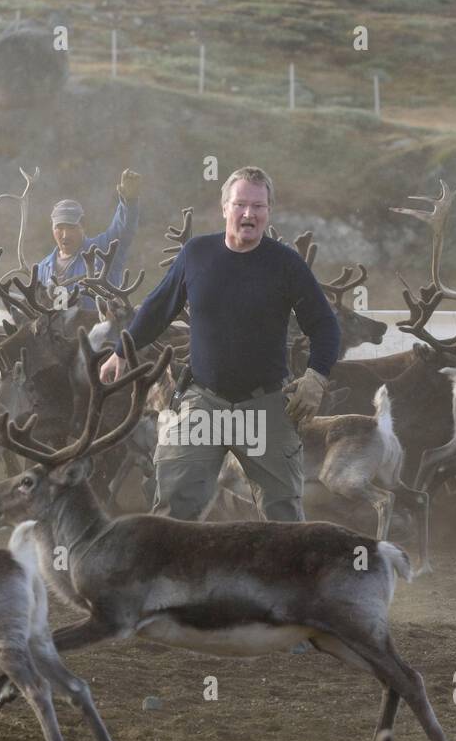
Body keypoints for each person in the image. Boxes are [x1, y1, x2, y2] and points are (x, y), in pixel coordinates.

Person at [99, 166, 340, 522]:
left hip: (264, 406)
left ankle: (284, 577)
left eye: (258, 206)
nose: (249, 214)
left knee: (284, 515)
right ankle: (170, 577)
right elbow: (157, 308)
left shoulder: (286, 264)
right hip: (203, 402)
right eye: (241, 204)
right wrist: (123, 350)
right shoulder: (197, 255)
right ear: (224, 207)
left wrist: (316, 376)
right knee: (172, 510)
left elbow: (325, 325)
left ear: (268, 212)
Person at [33, 168, 140, 312]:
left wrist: (129, 203)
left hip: (102, 330)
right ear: (52, 228)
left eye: (71, 227)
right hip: (61, 333)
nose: (65, 235)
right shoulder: (42, 268)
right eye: (59, 228)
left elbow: (123, 230)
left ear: (83, 227)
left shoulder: (101, 249)